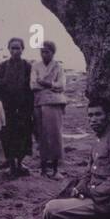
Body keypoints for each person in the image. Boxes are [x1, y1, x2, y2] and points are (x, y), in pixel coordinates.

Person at [0, 37, 34, 176]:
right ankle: (11, 164)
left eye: (18, 48)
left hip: (23, 107)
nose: (15, 51)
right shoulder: (3, 66)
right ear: (9, 49)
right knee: (8, 135)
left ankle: (19, 163)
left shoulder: (27, 66)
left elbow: (31, 87)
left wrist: (29, 106)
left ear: (23, 49)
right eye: (13, 48)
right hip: (7, 107)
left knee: (23, 135)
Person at [30, 41, 67, 179]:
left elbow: (62, 85)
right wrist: (52, 86)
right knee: (42, 136)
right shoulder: (35, 66)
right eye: (42, 51)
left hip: (55, 103)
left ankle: (56, 169)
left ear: (53, 52)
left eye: (47, 52)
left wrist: (47, 83)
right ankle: (43, 169)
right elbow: (33, 85)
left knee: (55, 135)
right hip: (39, 103)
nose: (44, 54)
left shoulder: (58, 66)